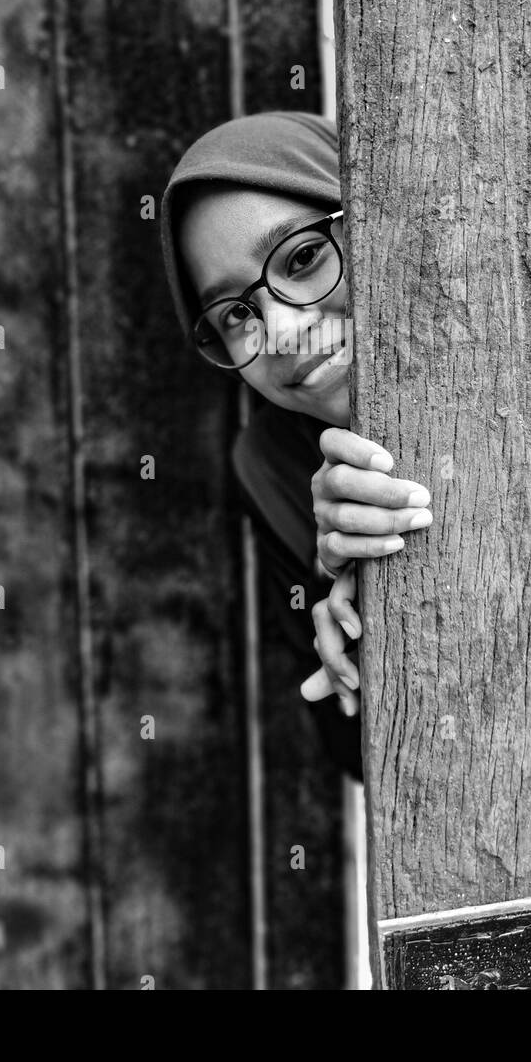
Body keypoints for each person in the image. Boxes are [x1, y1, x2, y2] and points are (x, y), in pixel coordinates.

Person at [159, 112, 433, 779]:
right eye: (234, 315)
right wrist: (354, 605)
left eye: (303, 258)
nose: (282, 332)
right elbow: (360, 763)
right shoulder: (273, 465)